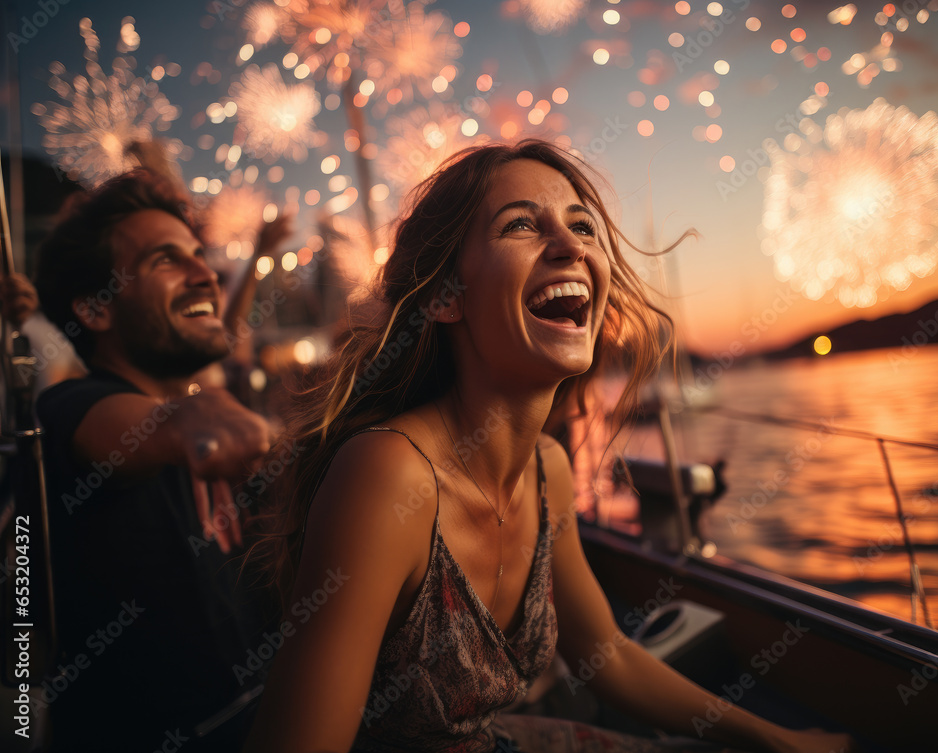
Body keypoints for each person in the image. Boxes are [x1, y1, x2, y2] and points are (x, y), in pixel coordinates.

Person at [242, 141, 854, 753]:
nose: (572, 246)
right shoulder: (389, 475)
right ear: (444, 296)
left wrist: (777, 741)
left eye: (582, 225)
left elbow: (608, 659)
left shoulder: (547, 470)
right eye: (520, 226)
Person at [33, 170, 274, 752]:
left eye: (199, 254)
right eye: (168, 260)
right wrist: (196, 418)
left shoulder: (200, 423)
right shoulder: (68, 410)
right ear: (94, 309)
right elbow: (143, 428)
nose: (206, 273)